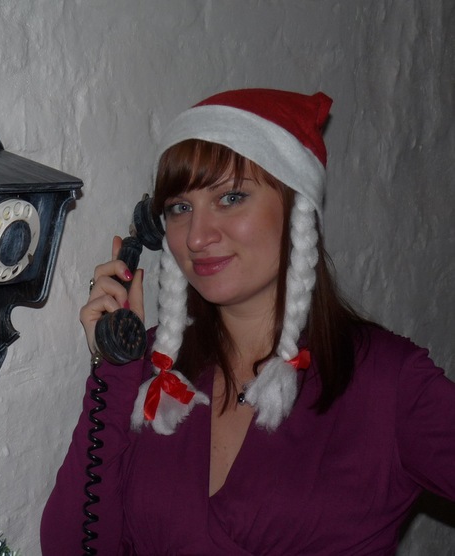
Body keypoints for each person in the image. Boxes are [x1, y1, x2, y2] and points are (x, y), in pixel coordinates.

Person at [41, 89, 455, 554]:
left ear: (297, 210)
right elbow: (68, 545)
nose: (197, 237)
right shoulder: (151, 373)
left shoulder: (388, 381)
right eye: (180, 208)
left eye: (231, 198)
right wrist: (116, 365)